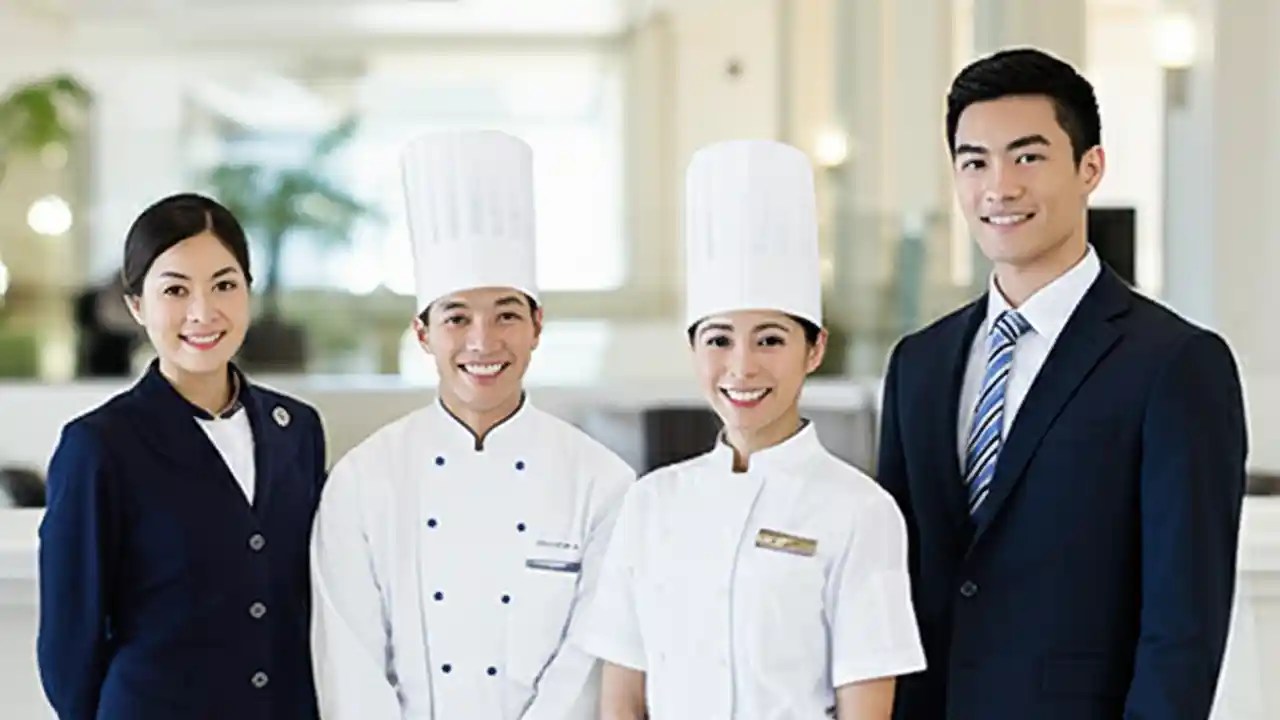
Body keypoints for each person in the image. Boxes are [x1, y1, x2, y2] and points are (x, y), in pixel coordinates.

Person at [874, 47, 1249, 720]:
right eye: (974, 161)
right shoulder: (919, 365)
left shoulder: (1174, 364)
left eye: (1028, 156)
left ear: (1090, 168)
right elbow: (895, 582)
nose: (999, 187)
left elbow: (1183, 622)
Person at [574, 140, 926, 719]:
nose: (741, 367)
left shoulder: (860, 511)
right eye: (718, 340)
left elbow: (866, 707)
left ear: (814, 349)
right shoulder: (650, 504)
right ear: (693, 348)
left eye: (770, 339)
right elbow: (623, 698)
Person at [309, 129, 635, 719]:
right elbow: (347, 662)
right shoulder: (364, 479)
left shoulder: (602, 483)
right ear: (423, 333)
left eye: (506, 315)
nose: (482, 342)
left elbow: (588, 660)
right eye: (457, 317)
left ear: (537, 326)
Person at [37, 193, 329, 719]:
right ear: (137, 306)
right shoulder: (99, 445)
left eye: (224, 285)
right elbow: (68, 641)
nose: (203, 312)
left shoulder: (297, 431)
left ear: (248, 293)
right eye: (175, 289)